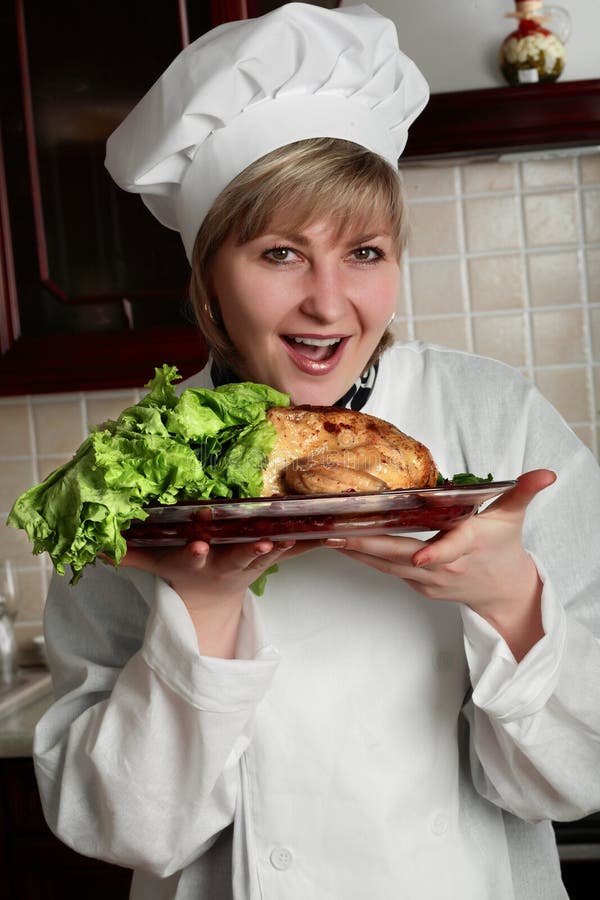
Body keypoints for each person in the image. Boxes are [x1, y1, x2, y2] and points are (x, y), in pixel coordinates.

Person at [32, 4, 600, 899]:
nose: (330, 306)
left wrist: (511, 605)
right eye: (282, 253)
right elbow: (124, 832)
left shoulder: (495, 420)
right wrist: (202, 613)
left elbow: (576, 784)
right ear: (209, 272)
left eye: (365, 252)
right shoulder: (138, 473)